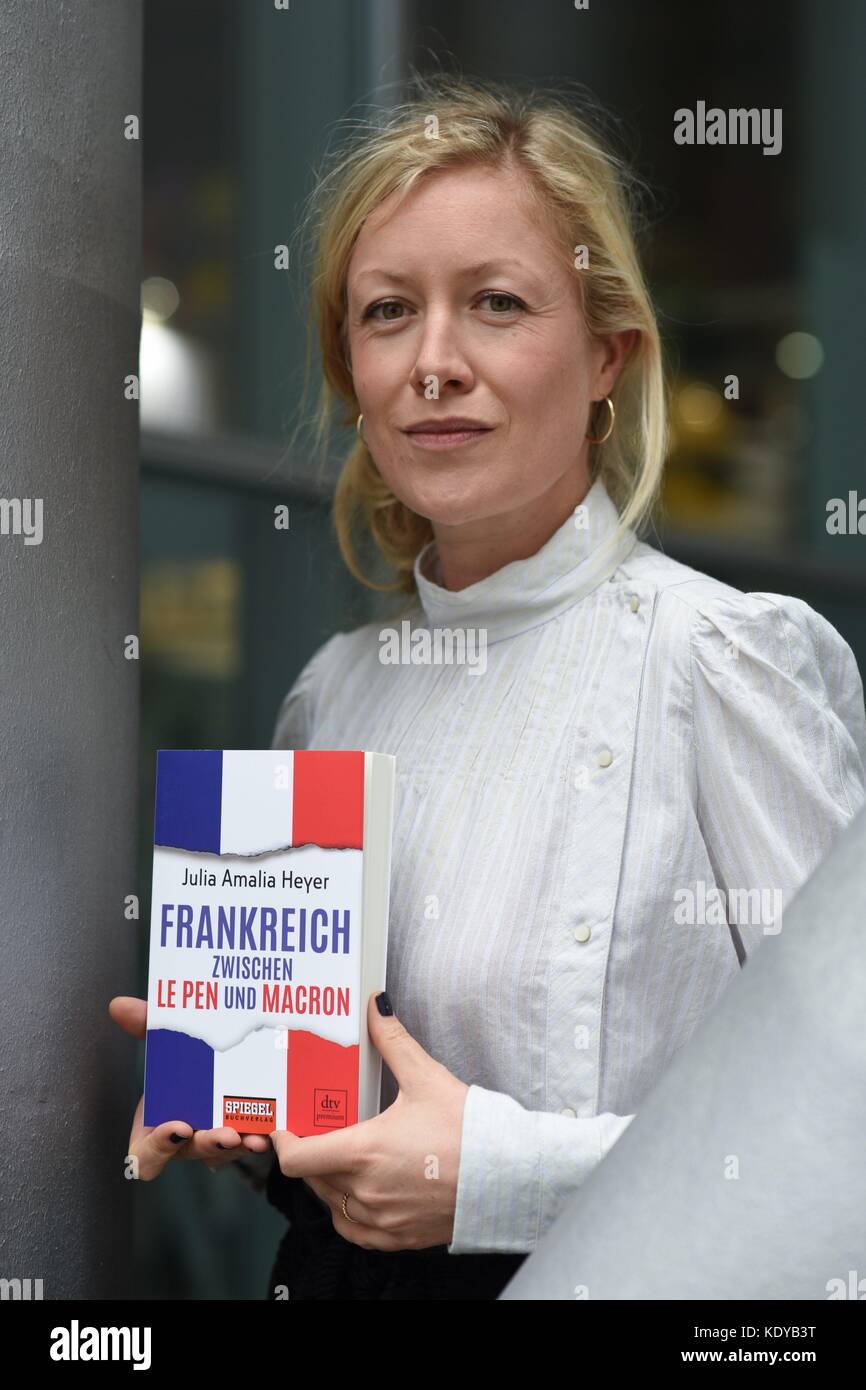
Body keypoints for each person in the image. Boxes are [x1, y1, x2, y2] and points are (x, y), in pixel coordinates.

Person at [111, 74, 866, 1300]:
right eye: (388, 313)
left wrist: (501, 1174)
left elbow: (843, 1136)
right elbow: (359, 1131)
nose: (434, 364)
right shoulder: (330, 694)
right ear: (349, 371)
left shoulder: (718, 660)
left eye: (497, 304)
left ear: (608, 355)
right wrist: (251, 1108)